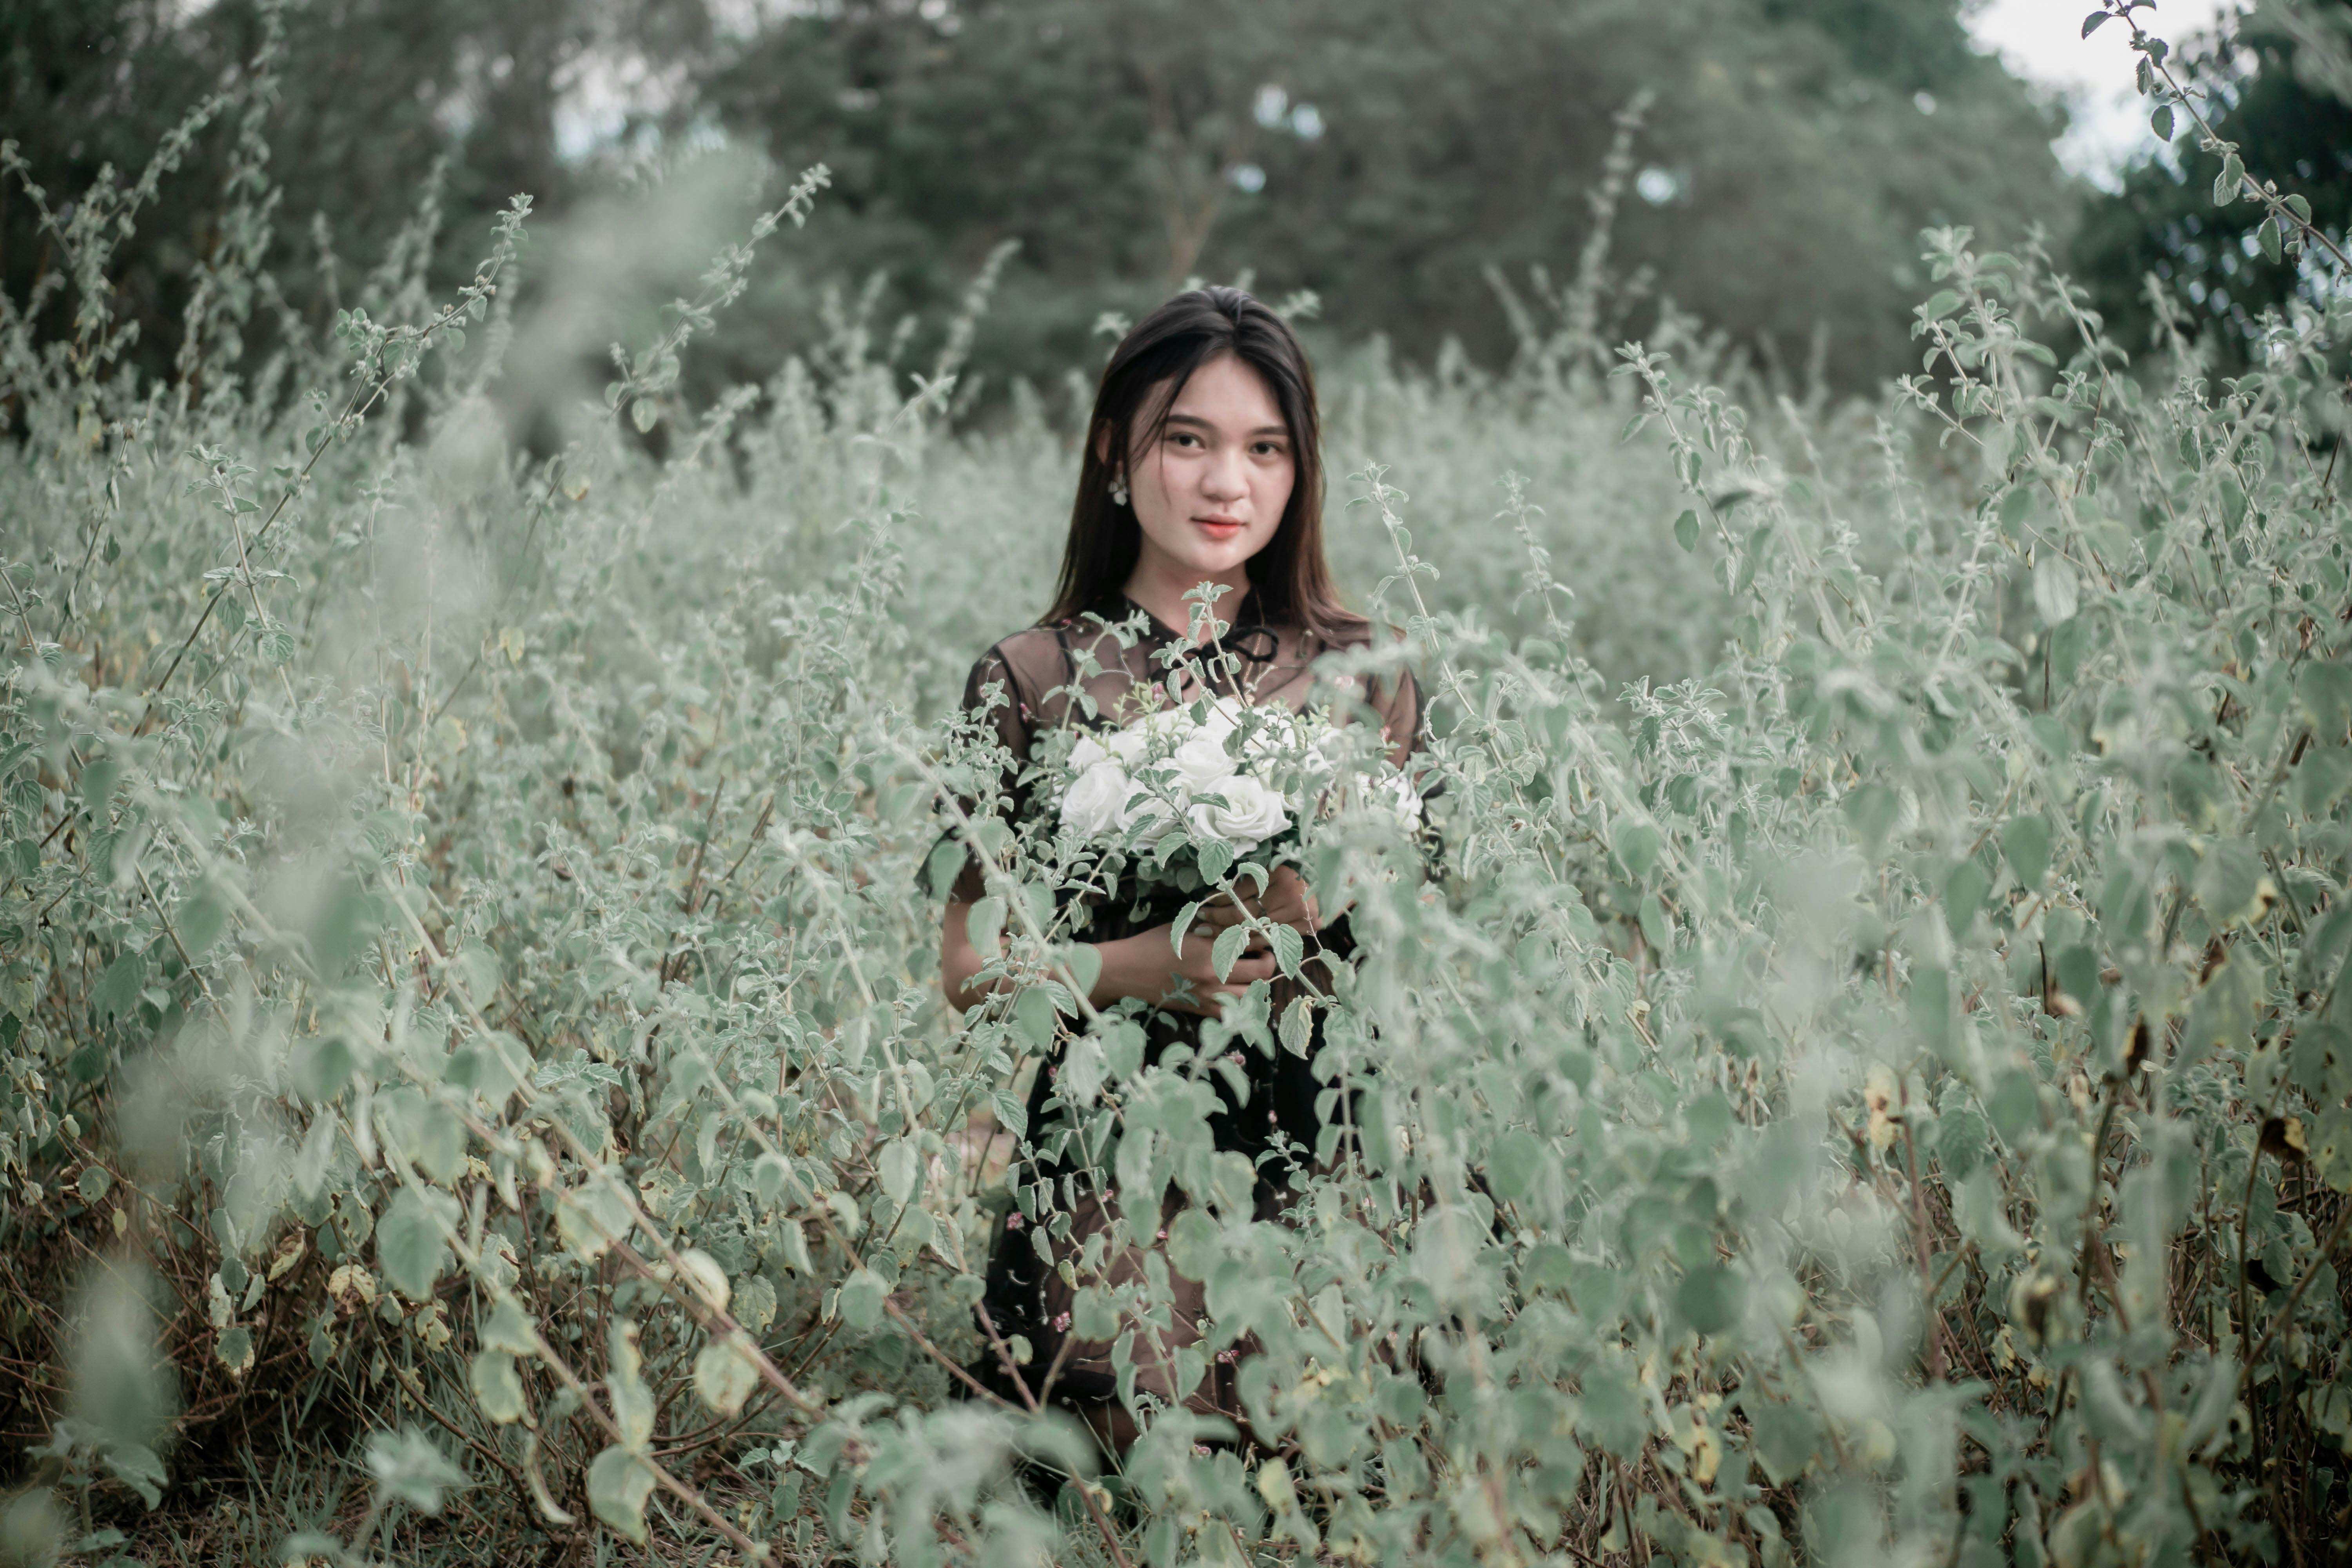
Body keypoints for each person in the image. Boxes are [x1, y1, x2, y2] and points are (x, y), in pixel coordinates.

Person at [933, 287, 1421, 1455]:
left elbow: (1439, 930)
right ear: (1115, 448)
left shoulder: (1368, 673)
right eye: (1187, 440)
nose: (1226, 485)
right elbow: (967, 967)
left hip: (1341, 1135)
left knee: (1343, 1473)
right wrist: (1143, 965)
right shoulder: (1033, 679)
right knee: (1133, 1466)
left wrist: (1320, 901)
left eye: (1265, 449)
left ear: (1301, 470)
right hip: (1117, 1150)